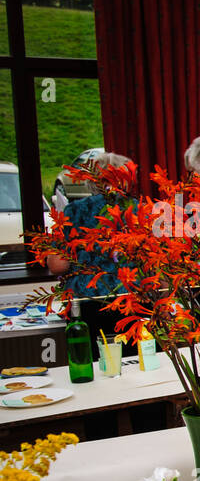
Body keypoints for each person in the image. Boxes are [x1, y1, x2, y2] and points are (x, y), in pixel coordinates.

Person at [44, 152, 140, 355]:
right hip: (135, 299)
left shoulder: (74, 211)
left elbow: (57, 265)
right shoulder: (144, 210)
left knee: (98, 366)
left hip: (88, 302)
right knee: (140, 364)